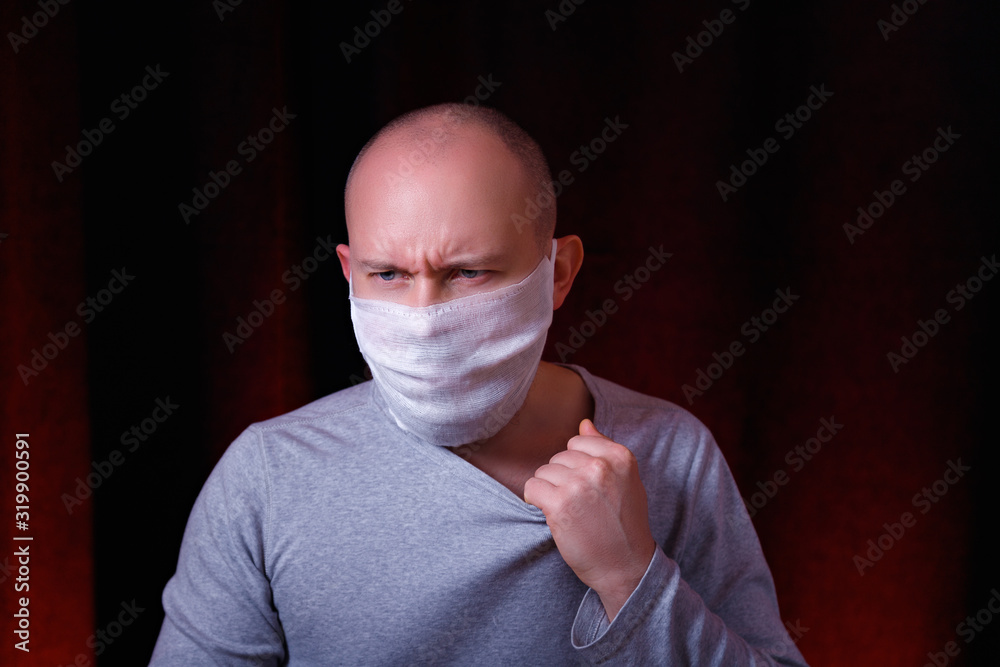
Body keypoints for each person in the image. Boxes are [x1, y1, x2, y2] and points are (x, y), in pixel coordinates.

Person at [150, 103, 809, 665]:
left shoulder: (669, 450)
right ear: (349, 272)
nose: (424, 318)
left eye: (468, 273)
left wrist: (629, 575)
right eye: (388, 275)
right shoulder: (266, 477)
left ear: (558, 272)